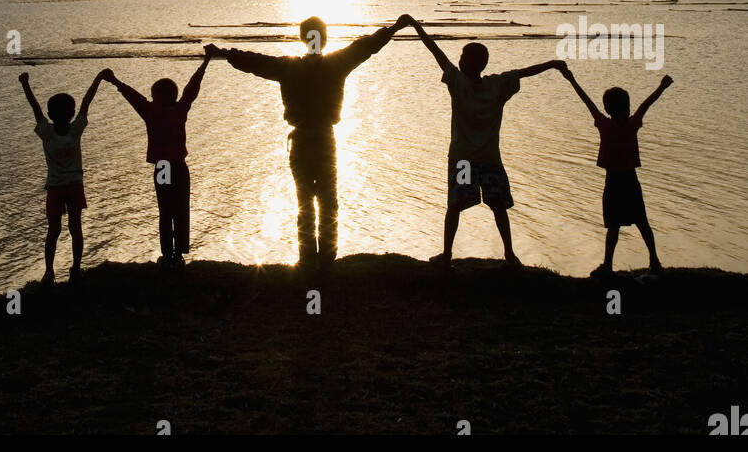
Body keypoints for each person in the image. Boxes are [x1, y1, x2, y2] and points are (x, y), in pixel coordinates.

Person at [205, 14, 412, 268]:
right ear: (322, 39)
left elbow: (254, 62)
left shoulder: (291, 66)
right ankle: (324, 256)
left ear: (305, 39)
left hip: (304, 138)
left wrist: (225, 52)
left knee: (307, 198)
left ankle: (310, 257)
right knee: (326, 198)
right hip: (322, 138)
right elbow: (366, 46)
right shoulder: (334, 63)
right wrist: (394, 28)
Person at [407, 19, 566, 266]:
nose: (458, 59)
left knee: (455, 205)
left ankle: (447, 255)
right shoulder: (496, 85)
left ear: (466, 62)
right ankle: (510, 255)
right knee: (499, 207)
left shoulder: (458, 83)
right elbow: (525, 72)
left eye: (461, 56)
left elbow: (435, 51)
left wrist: (414, 25)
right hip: (490, 159)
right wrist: (553, 64)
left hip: (462, 159)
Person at [562, 68, 673, 277]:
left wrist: (572, 80)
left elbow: (587, 102)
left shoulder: (605, 124)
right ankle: (654, 261)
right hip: (630, 180)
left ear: (608, 109)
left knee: (614, 225)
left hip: (613, 182)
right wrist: (662, 87)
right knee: (641, 222)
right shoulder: (632, 123)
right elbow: (646, 104)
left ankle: (608, 265)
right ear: (627, 106)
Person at [106, 58, 209, 269]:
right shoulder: (179, 110)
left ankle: (168, 255)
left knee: (166, 211)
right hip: (179, 167)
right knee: (180, 210)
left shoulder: (151, 112)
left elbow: (133, 97)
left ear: (159, 97)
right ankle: (177, 254)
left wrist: (115, 81)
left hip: (163, 167)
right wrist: (204, 63)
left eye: (154, 96)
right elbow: (191, 89)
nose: (151, 99)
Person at [18, 68, 112, 285]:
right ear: (71, 114)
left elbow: (35, 107)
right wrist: (98, 78)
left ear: (51, 114)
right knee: (75, 228)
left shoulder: (47, 132)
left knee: (54, 231)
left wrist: (25, 84)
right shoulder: (75, 130)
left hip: (55, 187)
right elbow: (87, 102)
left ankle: (49, 272)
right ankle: (76, 269)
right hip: (74, 185)